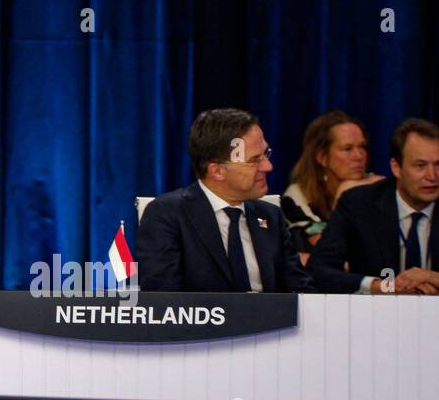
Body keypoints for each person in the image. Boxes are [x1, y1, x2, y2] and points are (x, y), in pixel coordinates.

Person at [138, 108, 312, 293]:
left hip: (275, 322)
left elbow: (300, 290)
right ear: (218, 171)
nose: (268, 166)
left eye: (266, 154)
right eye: (254, 160)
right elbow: (165, 300)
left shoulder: (271, 216)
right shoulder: (167, 215)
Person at [309, 119, 439, 294]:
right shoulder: (359, 204)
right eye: (420, 165)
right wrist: (382, 287)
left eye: (438, 164)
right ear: (396, 167)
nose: (432, 176)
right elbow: (317, 270)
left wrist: (432, 277)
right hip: (374, 316)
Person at [282, 110, 383, 260]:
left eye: (362, 146)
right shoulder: (296, 196)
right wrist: (345, 193)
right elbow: (330, 251)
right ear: (322, 157)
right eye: (347, 149)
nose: (359, 156)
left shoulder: (377, 186)